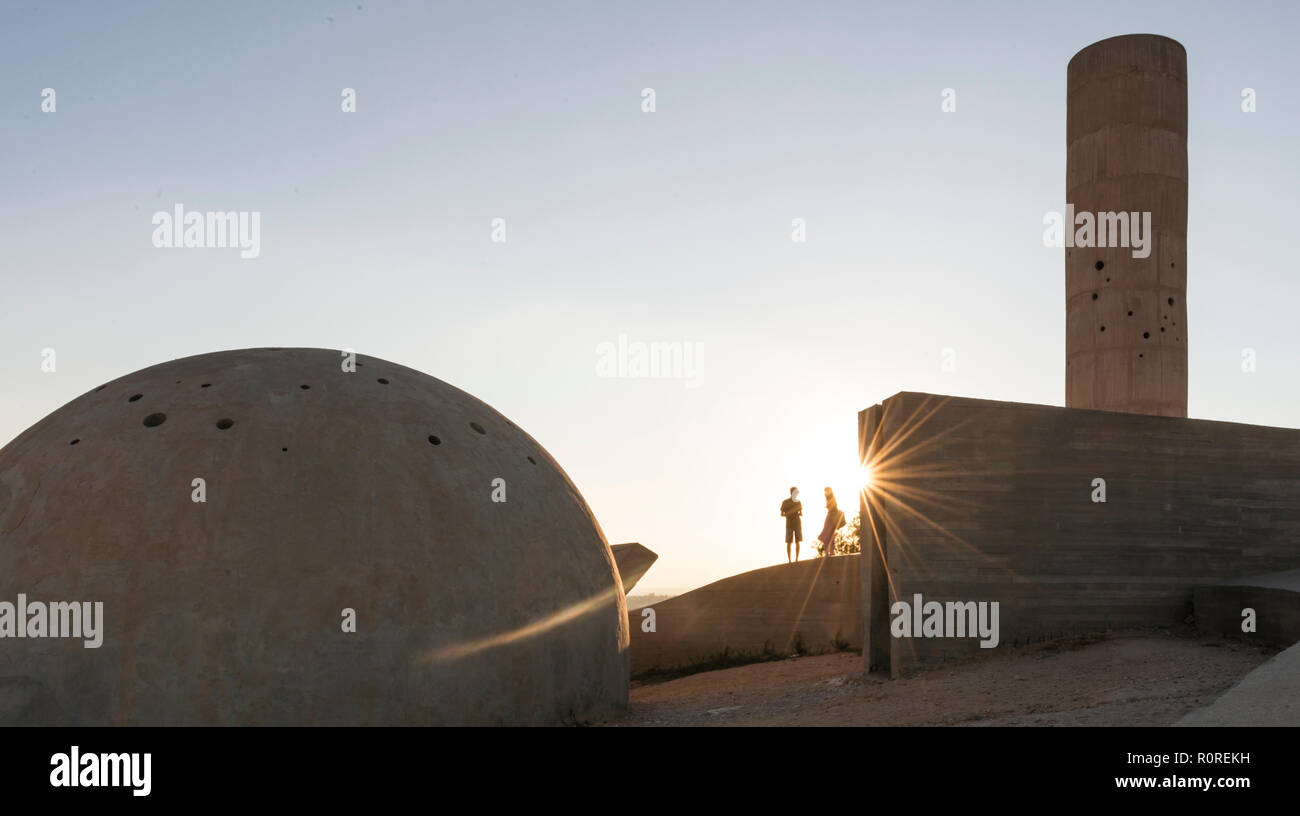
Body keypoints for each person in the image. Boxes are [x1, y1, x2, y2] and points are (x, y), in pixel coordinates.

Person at [818, 486, 846, 557]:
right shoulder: (828, 499)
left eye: (827, 491)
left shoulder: (832, 499)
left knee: (828, 535)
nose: (826, 493)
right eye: (825, 491)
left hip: (831, 518)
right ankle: (829, 552)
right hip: (830, 517)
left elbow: (833, 508)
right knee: (828, 536)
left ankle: (830, 552)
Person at [780, 487, 803, 562]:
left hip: (796, 523)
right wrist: (789, 514)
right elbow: (782, 514)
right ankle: (790, 560)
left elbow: (800, 512)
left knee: (797, 541)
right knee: (789, 542)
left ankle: (796, 559)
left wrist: (793, 513)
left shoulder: (798, 502)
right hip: (790, 523)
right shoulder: (785, 502)